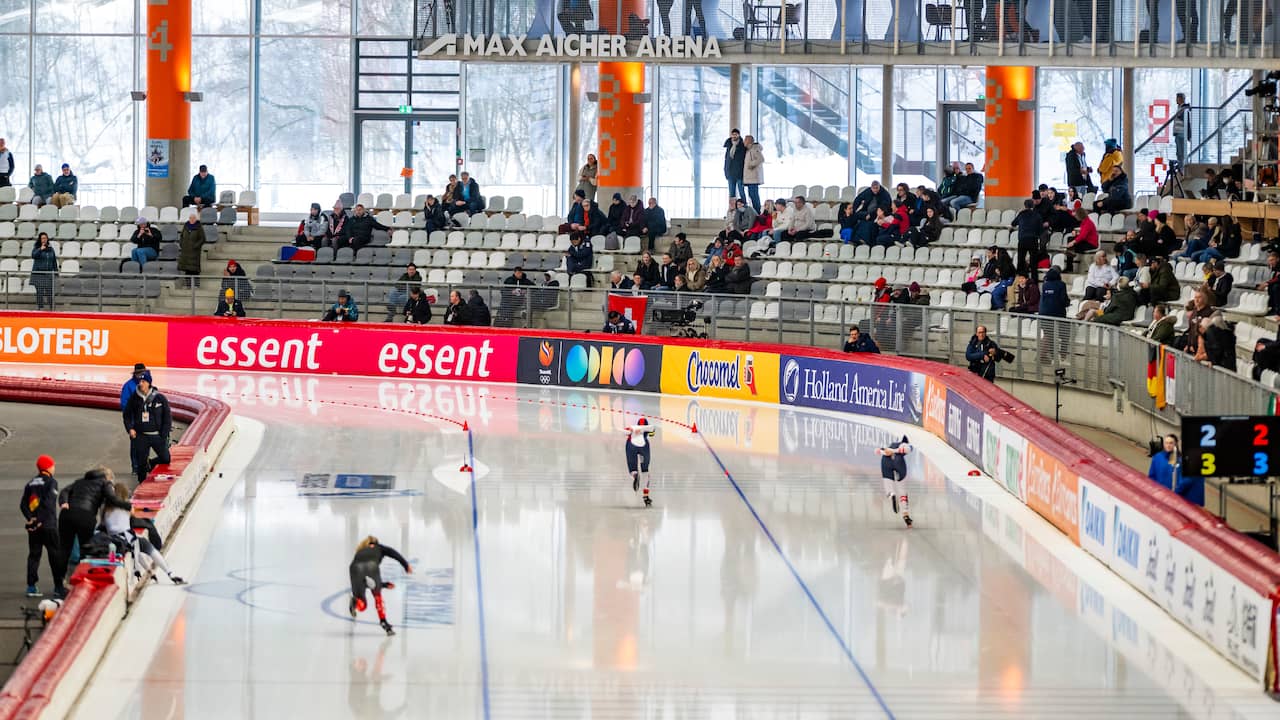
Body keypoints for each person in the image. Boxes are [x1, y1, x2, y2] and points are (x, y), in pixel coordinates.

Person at [101, 481, 183, 584]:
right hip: (125, 537)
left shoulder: (105, 509)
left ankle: (150, 572)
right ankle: (170, 573)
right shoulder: (127, 506)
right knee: (147, 547)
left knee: (135, 545)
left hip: (112, 540)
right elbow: (132, 516)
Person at [58, 468, 131, 575]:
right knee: (86, 548)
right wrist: (128, 506)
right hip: (85, 515)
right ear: (107, 477)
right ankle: (82, 577)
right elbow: (112, 498)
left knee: (64, 549)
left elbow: (64, 491)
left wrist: (63, 502)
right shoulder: (105, 483)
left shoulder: (79, 481)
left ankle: (59, 584)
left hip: (67, 514)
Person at [347, 536, 413, 636]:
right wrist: (405, 564)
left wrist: (384, 585)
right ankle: (383, 622)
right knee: (377, 597)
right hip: (372, 566)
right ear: (376, 543)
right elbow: (393, 553)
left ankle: (355, 602)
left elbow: (366, 583)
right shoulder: (379, 548)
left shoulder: (360, 551)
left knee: (362, 605)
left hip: (354, 568)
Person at [22, 455, 65, 599]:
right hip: (48, 525)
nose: (54, 468)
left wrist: (31, 519)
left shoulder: (31, 483)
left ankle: (31, 586)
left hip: (33, 527)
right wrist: (40, 520)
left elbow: (23, 505)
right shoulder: (51, 482)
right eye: (53, 465)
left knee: (34, 555)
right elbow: (48, 503)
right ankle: (58, 587)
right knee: (55, 555)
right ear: (48, 467)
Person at [123, 377, 172, 485]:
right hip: (141, 436)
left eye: (143, 382)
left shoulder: (160, 398)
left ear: (149, 383)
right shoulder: (134, 398)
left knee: (165, 458)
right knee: (141, 463)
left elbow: (167, 417)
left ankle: (150, 463)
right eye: (140, 382)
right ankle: (141, 484)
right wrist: (130, 428)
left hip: (157, 435)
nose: (141, 384)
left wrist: (163, 434)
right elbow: (126, 415)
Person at [1148, 434, 1201, 506]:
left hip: (1175, 499)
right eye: (1166, 443)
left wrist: (1175, 494)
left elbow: (1187, 483)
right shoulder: (1158, 457)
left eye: (1171, 443)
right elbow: (1151, 476)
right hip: (1160, 495)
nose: (1168, 445)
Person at [878, 436, 913, 528]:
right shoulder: (904, 444)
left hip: (885, 460)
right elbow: (907, 449)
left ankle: (892, 495)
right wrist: (894, 452)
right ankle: (905, 514)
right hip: (898, 461)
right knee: (902, 490)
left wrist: (886, 451)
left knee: (888, 488)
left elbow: (877, 451)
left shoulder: (890, 445)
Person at [622, 417, 657, 507]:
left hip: (631, 445)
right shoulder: (648, 428)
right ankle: (646, 496)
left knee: (632, 468)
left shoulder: (632, 427)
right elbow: (652, 433)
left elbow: (624, 432)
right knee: (645, 471)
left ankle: (635, 475)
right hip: (644, 447)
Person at [1012, 199, 1047, 281]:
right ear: (1033, 206)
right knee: (1033, 261)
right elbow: (1041, 230)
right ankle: (1034, 281)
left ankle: (1021, 279)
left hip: (1022, 239)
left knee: (1021, 260)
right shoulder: (1037, 215)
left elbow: (1013, 223)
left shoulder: (1021, 214)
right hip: (1033, 239)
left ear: (1025, 206)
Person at [1063, 208, 1097, 272]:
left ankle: (1069, 265)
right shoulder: (1084, 222)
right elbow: (1082, 234)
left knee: (1071, 245)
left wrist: (1073, 242)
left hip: (1091, 244)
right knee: (1070, 240)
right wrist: (1076, 234)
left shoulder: (1088, 223)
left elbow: (1083, 236)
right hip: (1086, 241)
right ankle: (1070, 254)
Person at [177, 212, 206, 288]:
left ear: (196, 219)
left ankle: (196, 285)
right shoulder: (186, 226)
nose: (192, 219)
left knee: (194, 269)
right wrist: (182, 244)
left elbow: (202, 238)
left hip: (194, 252)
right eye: (190, 218)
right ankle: (188, 285)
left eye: (193, 218)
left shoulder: (199, 227)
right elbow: (182, 236)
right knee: (187, 269)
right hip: (185, 251)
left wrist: (196, 246)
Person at [30, 232, 57, 310]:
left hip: (48, 274)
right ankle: (40, 308)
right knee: (40, 292)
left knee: (49, 292)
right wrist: (40, 249)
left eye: (45, 238)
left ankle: (51, 308)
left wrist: (56, 272)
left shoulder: (51, 249)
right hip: (39, 274)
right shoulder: (37, 247)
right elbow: (33, 255)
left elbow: (54, 261)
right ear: (40, 239)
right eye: (42, 238)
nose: (44, 240)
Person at [723, 128, 746, 202]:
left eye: (736, 134)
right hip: (730, 174)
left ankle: (744, 208)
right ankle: (732, 209)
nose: (734, 136)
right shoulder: (729, 145)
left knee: (742, 192)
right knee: (731, 194)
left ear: (739, 135)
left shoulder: (742, 146)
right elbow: (727, 160)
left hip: (740, 174)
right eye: (733, 134)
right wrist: (726, 171)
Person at [742, 135, 764, 211]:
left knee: (754, 196)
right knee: (752, 196)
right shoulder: (749, 150)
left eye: (745, 140)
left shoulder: (754, 149)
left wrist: (751, 164)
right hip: (750, 178)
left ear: (749, 141)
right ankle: (756, 211)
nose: (743, 141)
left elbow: (761, 159)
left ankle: (757, 212)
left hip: (753, 179)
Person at [1258, 250, 1280, 319]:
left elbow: (1278, 278)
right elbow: (1275, 278)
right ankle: (1273, 308)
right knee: (1271, 286)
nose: (1271, 262)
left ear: (1278, 259)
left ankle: (1278, 311)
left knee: (1276, 287)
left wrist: (1267, 283)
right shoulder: (1273, 266)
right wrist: (1266, 283)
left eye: (1272, 260)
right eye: (1269, 260)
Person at [1172, 93, 1190, 171]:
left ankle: (1182, 168)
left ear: (1181, 99)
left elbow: (1184, 119)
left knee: (1181, 152)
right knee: (1179, 152)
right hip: (1178, 133)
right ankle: (1181, 167)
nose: (1176, 100)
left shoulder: (1184, 108)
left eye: (1177, 98)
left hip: (1181, 133)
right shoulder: (1180, 108)